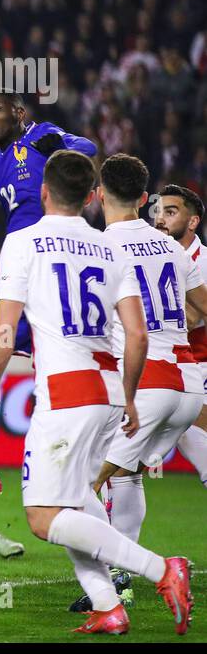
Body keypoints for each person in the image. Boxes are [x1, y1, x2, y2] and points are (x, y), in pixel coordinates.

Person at [0, 150, 194, 635]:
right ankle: (107, 605)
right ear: (91, 197)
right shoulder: (109, 248)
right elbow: (136, 335)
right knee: (80, 502)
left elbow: (5, 326)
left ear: (44, 193)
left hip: (66, 393)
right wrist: (131, 397)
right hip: (110, 389)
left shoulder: (24, 241)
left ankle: (163, 569)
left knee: (41, 516)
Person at [0, 91, 95, 544]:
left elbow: (86, 149)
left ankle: (96, 492)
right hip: (20, 275)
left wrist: (60, 152)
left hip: (55, 266)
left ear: (19, 114)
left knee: (57, 377)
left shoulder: (43, 134)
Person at [66, 156, 207, 613]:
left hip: (145, 383)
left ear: (99, 194)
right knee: (124, 476)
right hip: (187, 385)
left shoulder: (99, 246)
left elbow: (91, 321)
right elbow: (194, 308)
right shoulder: (172, 245)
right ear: (146, 200)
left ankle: (123, 580)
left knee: (76, 486)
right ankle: (117, 578)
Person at [152, 185, 207, 486]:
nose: (160, 219)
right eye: (158, 211)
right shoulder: (157, 256)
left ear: (193, 221)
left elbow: (192, 318)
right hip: (169, 364)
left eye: (170, 212)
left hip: (197, 365)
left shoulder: (203, 261)